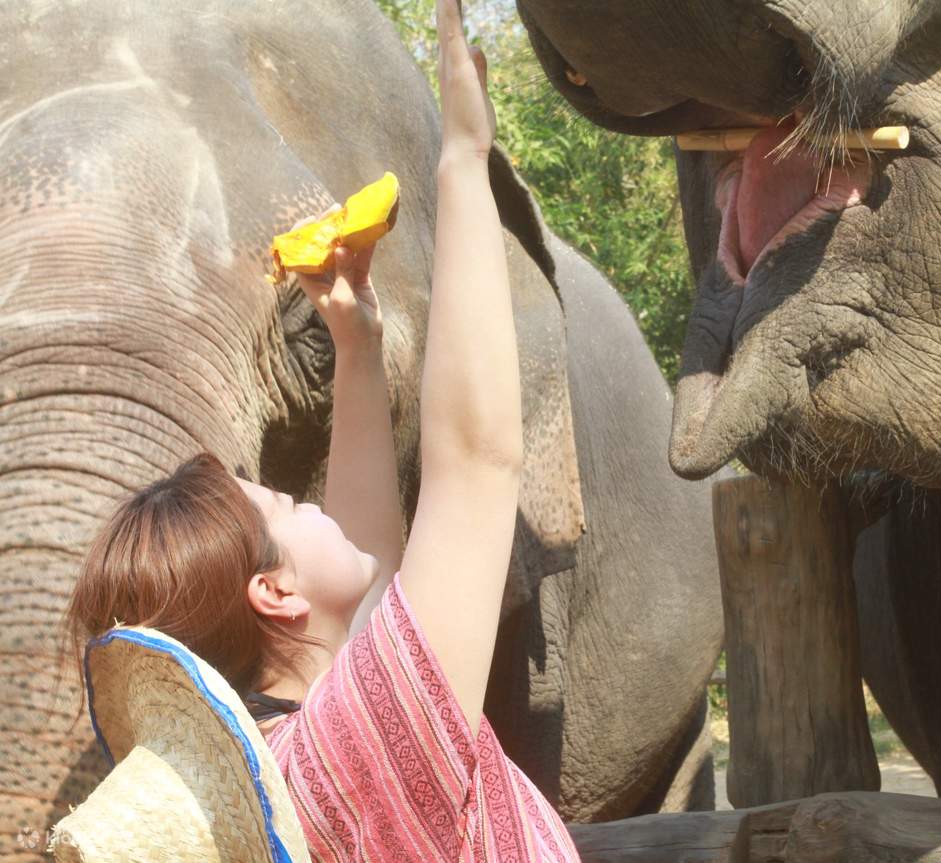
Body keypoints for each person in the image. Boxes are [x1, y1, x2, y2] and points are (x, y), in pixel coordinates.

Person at [61, 1, 579, 859]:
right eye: (286, 505)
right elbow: (478, 463)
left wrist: (356, 343)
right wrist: (460, 155)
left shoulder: (297, 757)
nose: (311, 503)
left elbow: (363, 545)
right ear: (275, 594)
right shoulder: (357, 750)